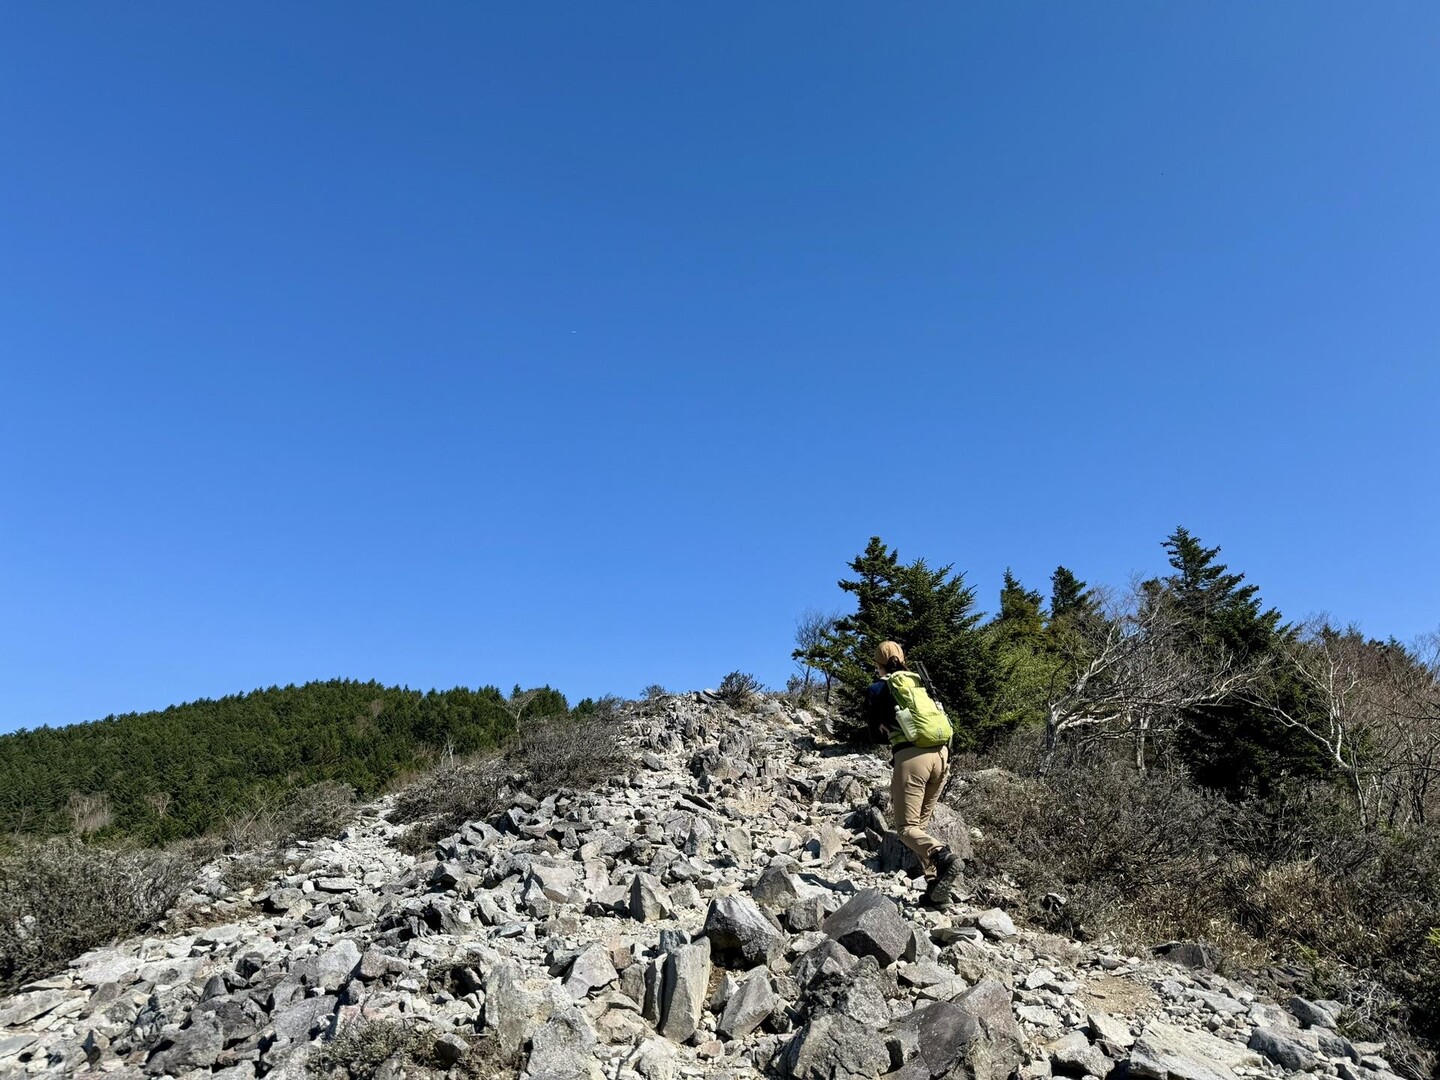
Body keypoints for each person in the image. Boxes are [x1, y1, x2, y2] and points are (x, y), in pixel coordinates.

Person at [863, 640, 963, 904]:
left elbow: (875, 736)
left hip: (911, 758)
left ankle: (943, 856)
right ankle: (935, 890)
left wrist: (886, 728)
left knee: (906, 828)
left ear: (877, 664)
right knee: (920, 826)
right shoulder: (919, 683)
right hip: (942, 756)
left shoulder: (877, 689)